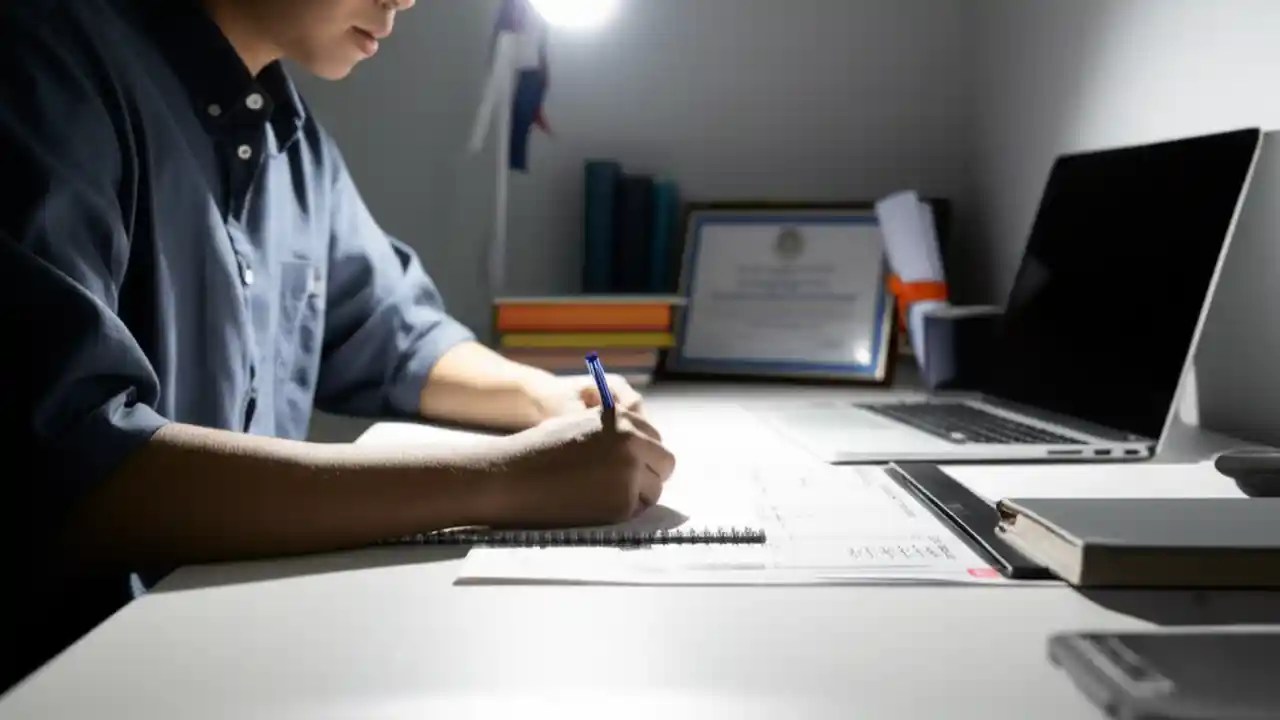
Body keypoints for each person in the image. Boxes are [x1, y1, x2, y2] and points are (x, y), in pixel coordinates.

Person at [0, 0, 675, 691]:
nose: (404, 0)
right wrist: (508, 481)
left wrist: (543, 395)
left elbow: (390, 333)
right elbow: (82, 470)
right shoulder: (44, 70)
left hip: (222, 658)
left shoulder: (288, 138)